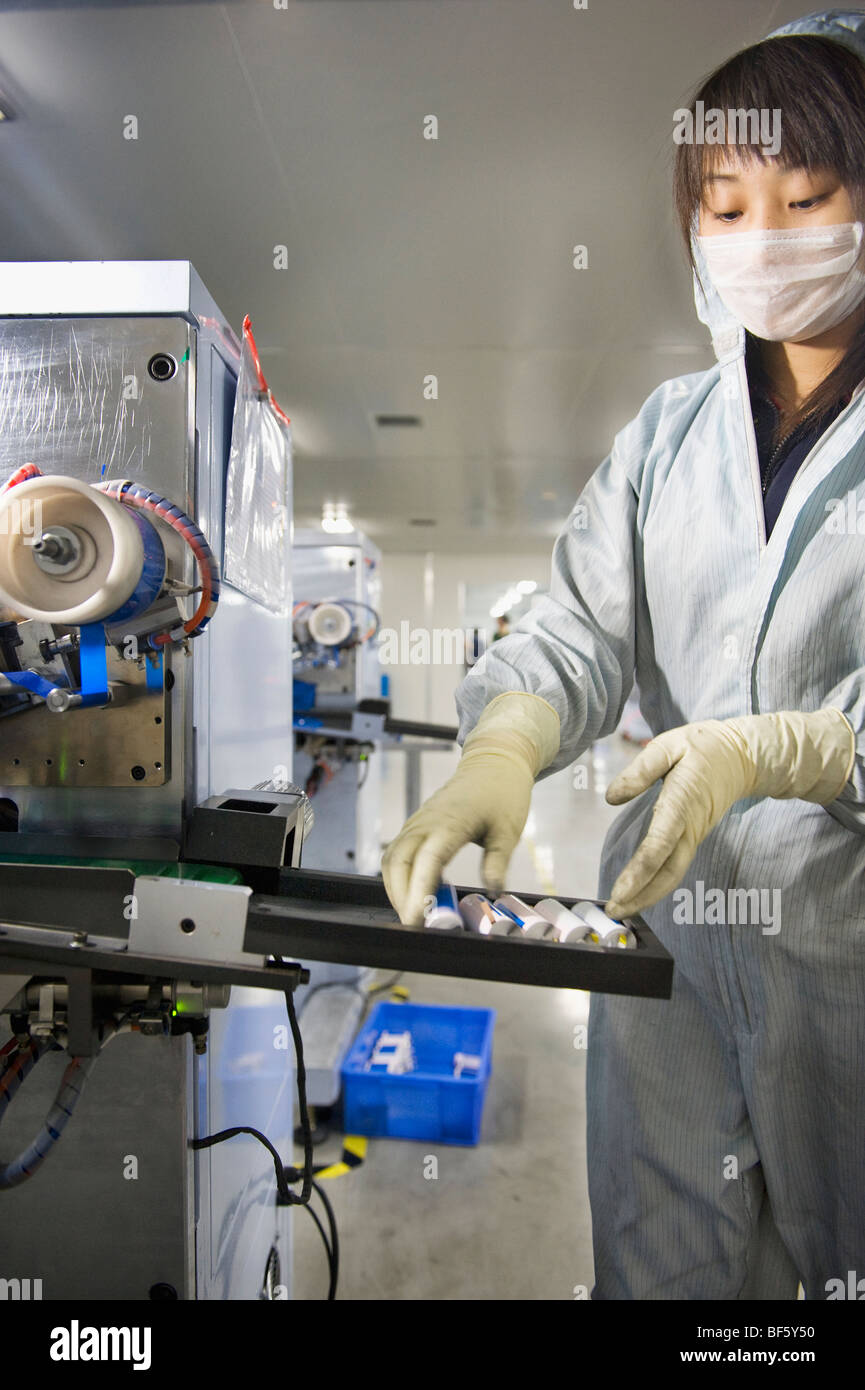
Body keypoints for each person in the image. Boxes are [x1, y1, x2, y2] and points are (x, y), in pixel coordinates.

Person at [382, 9, 865, 1300]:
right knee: (663, 1267)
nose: (764, 237)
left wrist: (795, 750)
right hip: (665, 938)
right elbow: (577, 622)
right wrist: (503, 741)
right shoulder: (667, 434)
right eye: (724, 204)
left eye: (805, 195)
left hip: (846, 959)